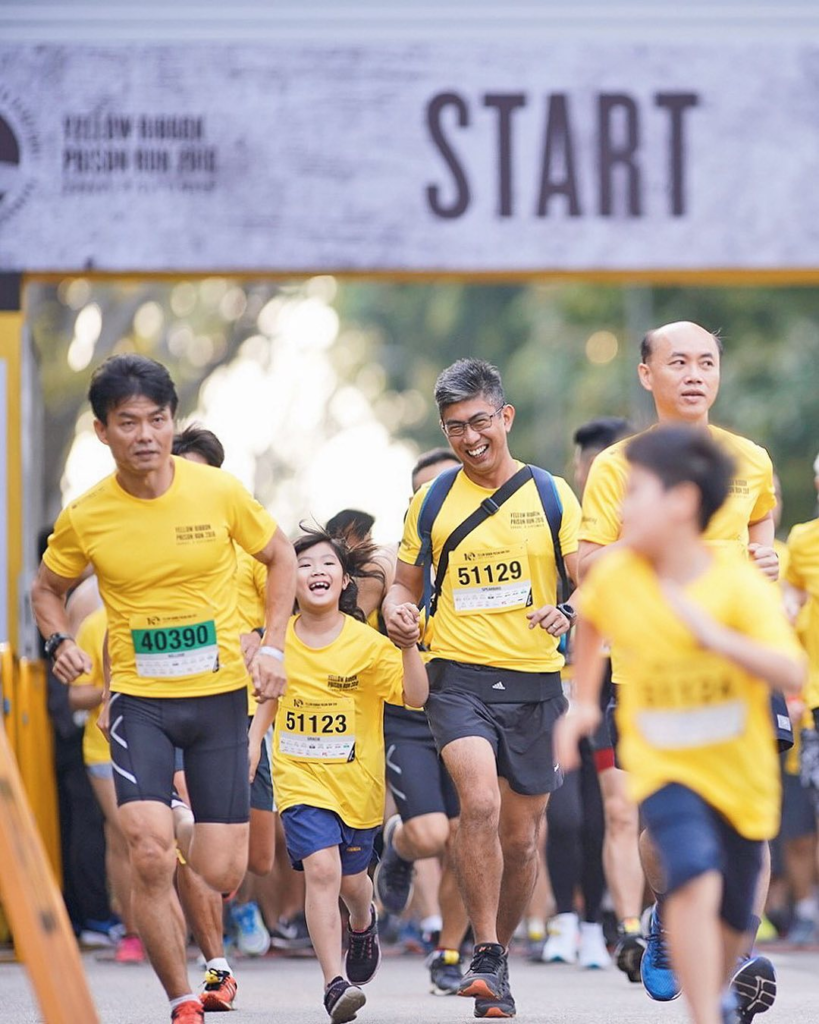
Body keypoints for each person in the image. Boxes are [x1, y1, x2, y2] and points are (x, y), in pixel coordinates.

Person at [30, 354, 296, 1024]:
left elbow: (280, 556)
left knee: (224, 873)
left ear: (173, 422)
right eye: (128, 422)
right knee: (147, 852)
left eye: (157, 419)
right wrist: (59, 641)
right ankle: (182, 998)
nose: (145, 434)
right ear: (102, 431)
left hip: (216, 702)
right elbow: (47, 587)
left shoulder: (217, 492)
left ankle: (184, 823)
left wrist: (271, 645)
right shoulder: (88, 515)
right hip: (140, 704)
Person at [557, 426, 805, 1024]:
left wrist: (716, 638)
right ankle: (706, 1010)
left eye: (636, 492)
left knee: (734, 892)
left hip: (738, 773)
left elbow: (789, 665)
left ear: (683, 501)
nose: (622, 504)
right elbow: (589, 621)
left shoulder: (737, 584)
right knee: (691, 868)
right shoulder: (619, 577)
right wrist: (586, 703)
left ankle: (721, 979)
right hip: (666, 762)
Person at [384, 358, 581, 1018]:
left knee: (523, 838)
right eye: (452, 428)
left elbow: (585, 578)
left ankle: (496, 962)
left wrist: (570, 611)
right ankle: (486, 946)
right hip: (456, 680)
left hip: (534, 684)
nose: (468, 439)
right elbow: (403, 582)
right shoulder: (432, 501)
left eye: (477, 423)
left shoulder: (550, 493)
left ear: (505, 417)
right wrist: (395, 608)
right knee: (478, 804)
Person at [253, 528, 428, 1023]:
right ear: (290, 580)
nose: (316, 573)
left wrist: (409, 645)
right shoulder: (277, 640)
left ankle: (363, 920)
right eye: (304, 566)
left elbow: (415, 696)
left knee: (353, 884)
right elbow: (264, 699)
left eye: (327, 565)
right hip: (301, 781)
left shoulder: (367, 645)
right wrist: (250, 748)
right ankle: (334, 984)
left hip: (357, 789)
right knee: (322, 871)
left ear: (345, 580)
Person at [375, 447, 470, 996]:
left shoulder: (496, 542)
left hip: (469, 702)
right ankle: (400, 843)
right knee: (432, 834)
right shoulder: (390, 565)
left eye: (447, 486)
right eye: (425, 491)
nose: (437, 498)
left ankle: (451, 950)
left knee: (467, 835)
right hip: (407, 713)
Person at [539, 417, 632, 969]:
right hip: (555, 689)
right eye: (588, 469)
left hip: (611, 687)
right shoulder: (556, 524)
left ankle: (597, 925)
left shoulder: (631, 537)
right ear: (579, 471)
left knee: (605, 815)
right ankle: (563, 922)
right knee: (565, 814)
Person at [66, 578, 145, 964]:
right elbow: (75, 694)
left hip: (160, 744)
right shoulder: (95, 624)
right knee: (126, 836)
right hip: (104, 748)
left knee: (163, 836)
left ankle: (174, 929)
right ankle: (132, 933)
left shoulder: (165, 618)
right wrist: (112, 690)